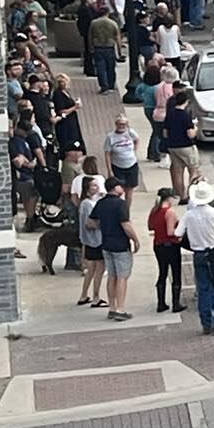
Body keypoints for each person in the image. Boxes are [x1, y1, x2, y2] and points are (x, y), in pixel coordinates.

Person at [182, 180, 214, 335]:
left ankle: (206, 324)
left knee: (203, 289)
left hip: (199, 253)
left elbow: (177, 233)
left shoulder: (189, 215)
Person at [93, 175, 140, 319]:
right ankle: (120, 309)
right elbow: (126, 225)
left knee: (111, 276)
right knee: (122, 277)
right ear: (115, 188)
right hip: (120, 244)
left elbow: (90, 222)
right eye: (120, 186)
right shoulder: (121, 204)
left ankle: (112, 307)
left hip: (106, 243)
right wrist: (136, 240)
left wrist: (104, 226)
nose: (123, 188)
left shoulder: (101, 203)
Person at [147, 186, 185, 314]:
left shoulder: (155, 210)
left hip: (158, 245)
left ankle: (161, 303)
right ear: (170, 198)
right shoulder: (169, 212)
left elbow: (150, 226)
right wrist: (179, 235)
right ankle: (176, 303)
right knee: (175, 273)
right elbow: (170, 232)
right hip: (171, 245)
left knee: (162, 272)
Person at [75, 174, 107, 308]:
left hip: (91, 241)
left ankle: (84, 295)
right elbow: (90, 223)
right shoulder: (87, 204)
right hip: (95, 240)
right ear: (87, 189)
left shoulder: (91, 201)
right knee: (99, 268)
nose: (97, 187)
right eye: (94, 185)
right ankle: (96, 297)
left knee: (92, 269)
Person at [105, 114, 141, 192]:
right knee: (118, 189)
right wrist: (109, 170)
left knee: (129, 189)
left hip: (131, 164)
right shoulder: (110, 137)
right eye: (120, 124)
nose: (122, 126)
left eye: (124, 124)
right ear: (116, 124)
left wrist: (135, 151)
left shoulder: (130, 132)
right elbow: (107, 153)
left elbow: (137, 139)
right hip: (118, 166)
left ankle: (127, 204)